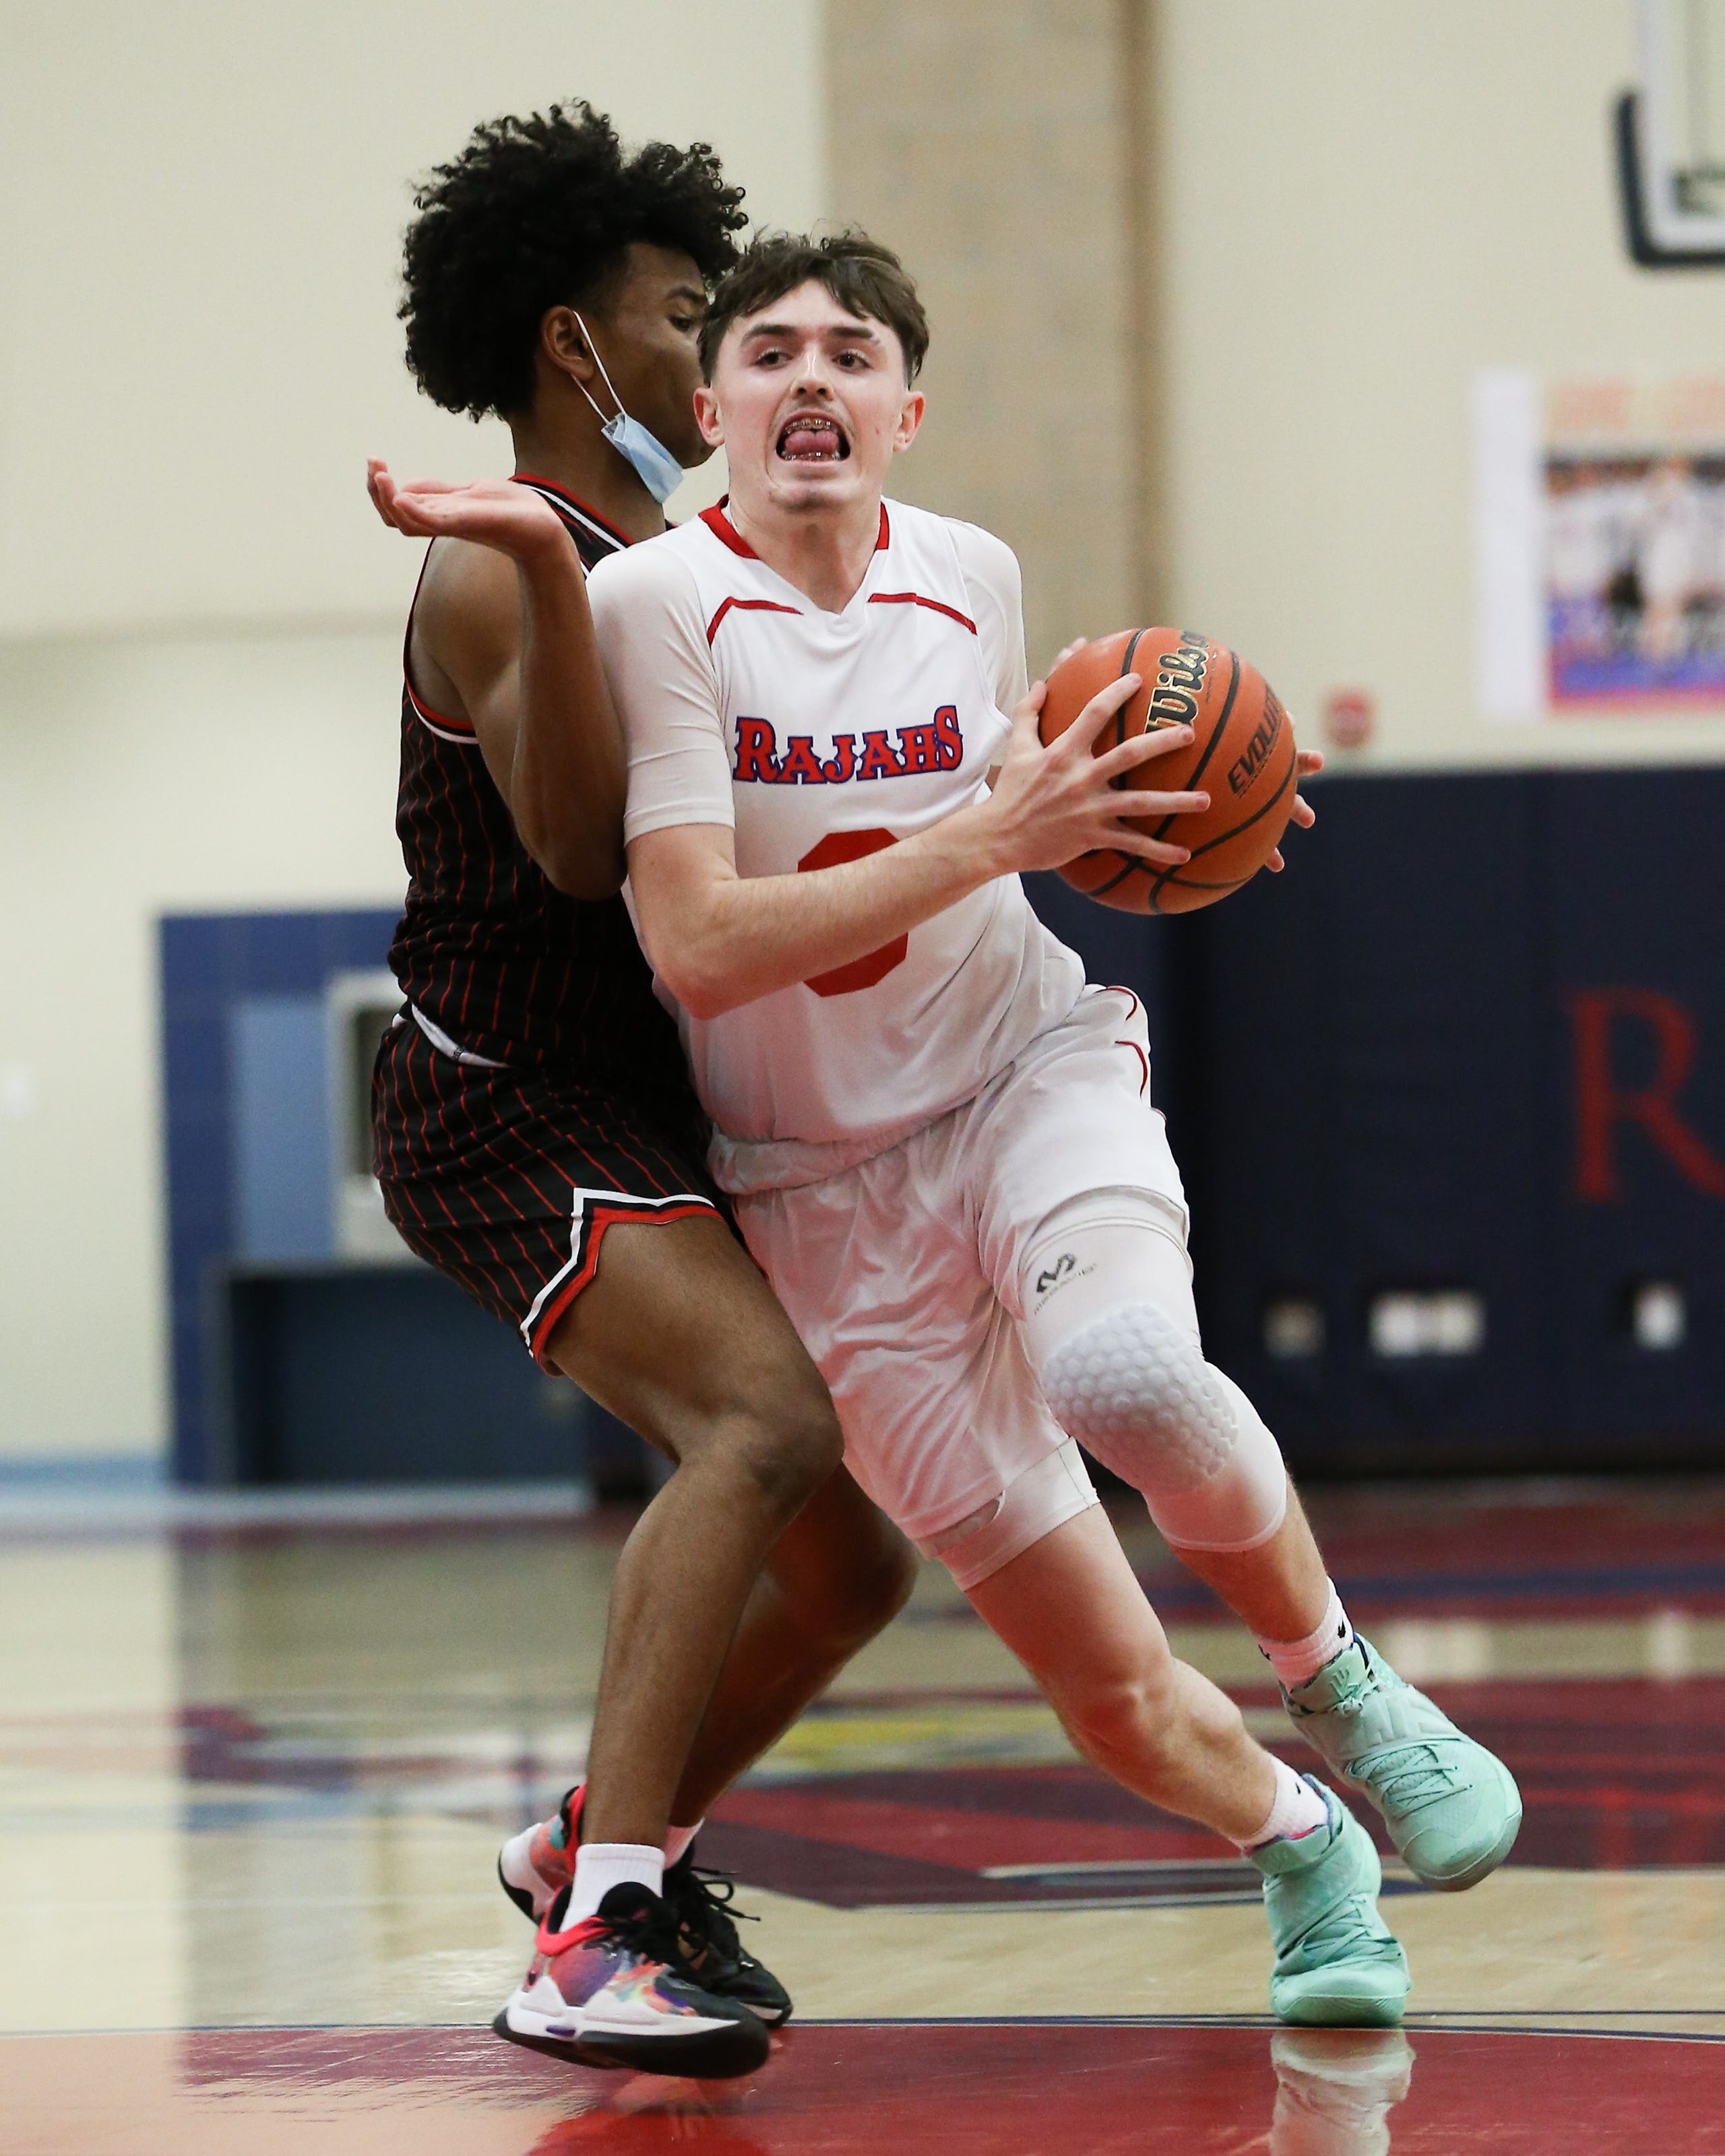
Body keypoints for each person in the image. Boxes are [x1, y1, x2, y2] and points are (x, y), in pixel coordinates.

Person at [575, 230, 1524, 2025]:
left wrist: (1197, 784)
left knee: (1126, 1377)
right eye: (768, 353)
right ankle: (1306, 1843)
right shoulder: (653, 607)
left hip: (1024, 1072)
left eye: (850, 355)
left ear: (905, 411)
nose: (809, 382)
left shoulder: (973, 576)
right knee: (1107, 1694)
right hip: (819, 1198)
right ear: (710, 411)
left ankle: (1346, 1684)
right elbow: (696, 945)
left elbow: (1021, 775)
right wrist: (992, 840)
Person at [367, 112, 923, 2078]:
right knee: (761, 1423)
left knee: (858, 1560)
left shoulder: (691, 560)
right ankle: (595, 1947)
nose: (725, 360)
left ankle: (592, 1846)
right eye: (693, 320)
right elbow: (584, 851)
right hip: (502, 1101)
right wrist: (531, 547)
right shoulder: (493, 568)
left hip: (634, 1095)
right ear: (568, 348)